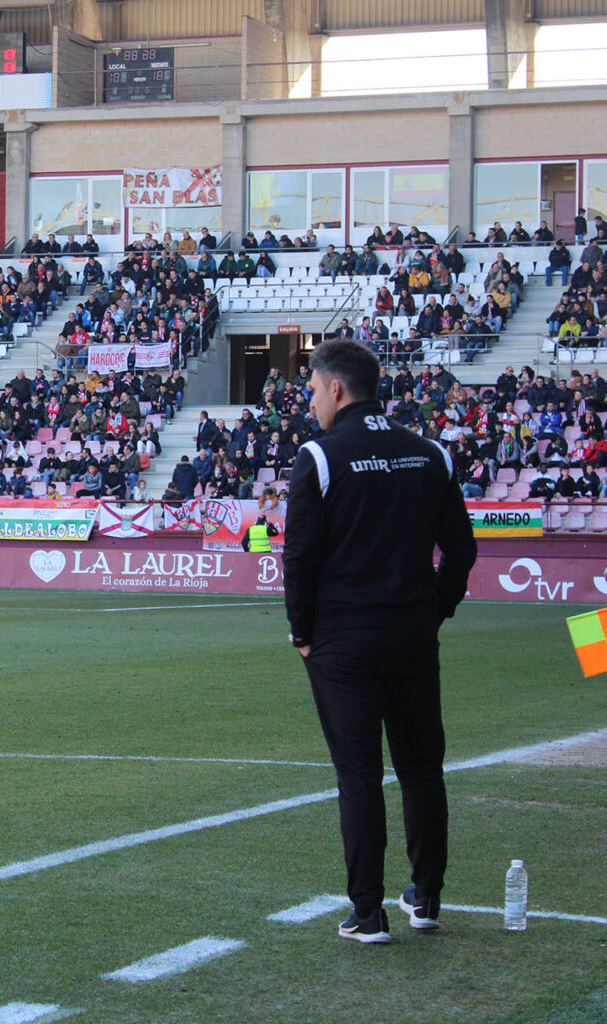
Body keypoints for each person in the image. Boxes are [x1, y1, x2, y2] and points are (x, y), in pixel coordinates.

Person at [283, 339, 477, 945]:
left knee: (359, 774)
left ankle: (367, 912)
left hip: (343, 639)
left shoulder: (318, 455)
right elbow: (463, 550)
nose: (311, 399)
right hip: (413, 635)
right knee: (422, 769)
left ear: (336, 388)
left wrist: (303, 635)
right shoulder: (430, 453)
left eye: (313, 387)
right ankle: (426, 897)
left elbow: (299, 560)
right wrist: (435, 608)